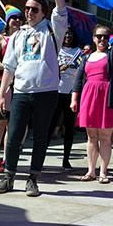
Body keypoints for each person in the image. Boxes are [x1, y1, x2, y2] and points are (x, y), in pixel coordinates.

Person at [0, 0, 68, 197]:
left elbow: (61, 10)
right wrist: (2, 90)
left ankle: (33, 178)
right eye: (26, 9)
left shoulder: (52, 29)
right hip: (21, 91)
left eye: (34, 9)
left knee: (40, 137)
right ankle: (8, 177)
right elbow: (9, 66)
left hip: (46, 92)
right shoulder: (18, 35)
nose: (28, 12)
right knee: (14, 135)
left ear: (43, 13)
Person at [72, 11, 113, 183]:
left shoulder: (112, 55)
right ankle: (91, 171)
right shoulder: (86, 57)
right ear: (93, 38)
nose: (102, 40)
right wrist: (74, 99)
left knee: (105, 137)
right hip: (89, 99)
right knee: (91, 137)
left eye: (105, 37)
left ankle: (103, 172)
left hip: (106, 99)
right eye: (99, 37)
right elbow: (78, 80)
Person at [0, 6, 24, 173]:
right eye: (13, 17)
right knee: (0, 122)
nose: (16, 21)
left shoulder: (24, 39)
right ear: (7, 21)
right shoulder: (0, 39)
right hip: (3, 85)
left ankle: (8, 157)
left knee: (13, 125)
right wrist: (10, 67)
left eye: (19, 18)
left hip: (21, 85)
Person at [51, 27, 83, 170]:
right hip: (56, 91)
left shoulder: (79, 52)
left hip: (71, 93)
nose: (68, 36)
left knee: (69, 128)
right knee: (50, 125)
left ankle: (66, 159)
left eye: (71, 34)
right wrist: (60, 68)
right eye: (66, 33)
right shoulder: (55, 49)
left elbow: (83, 72)